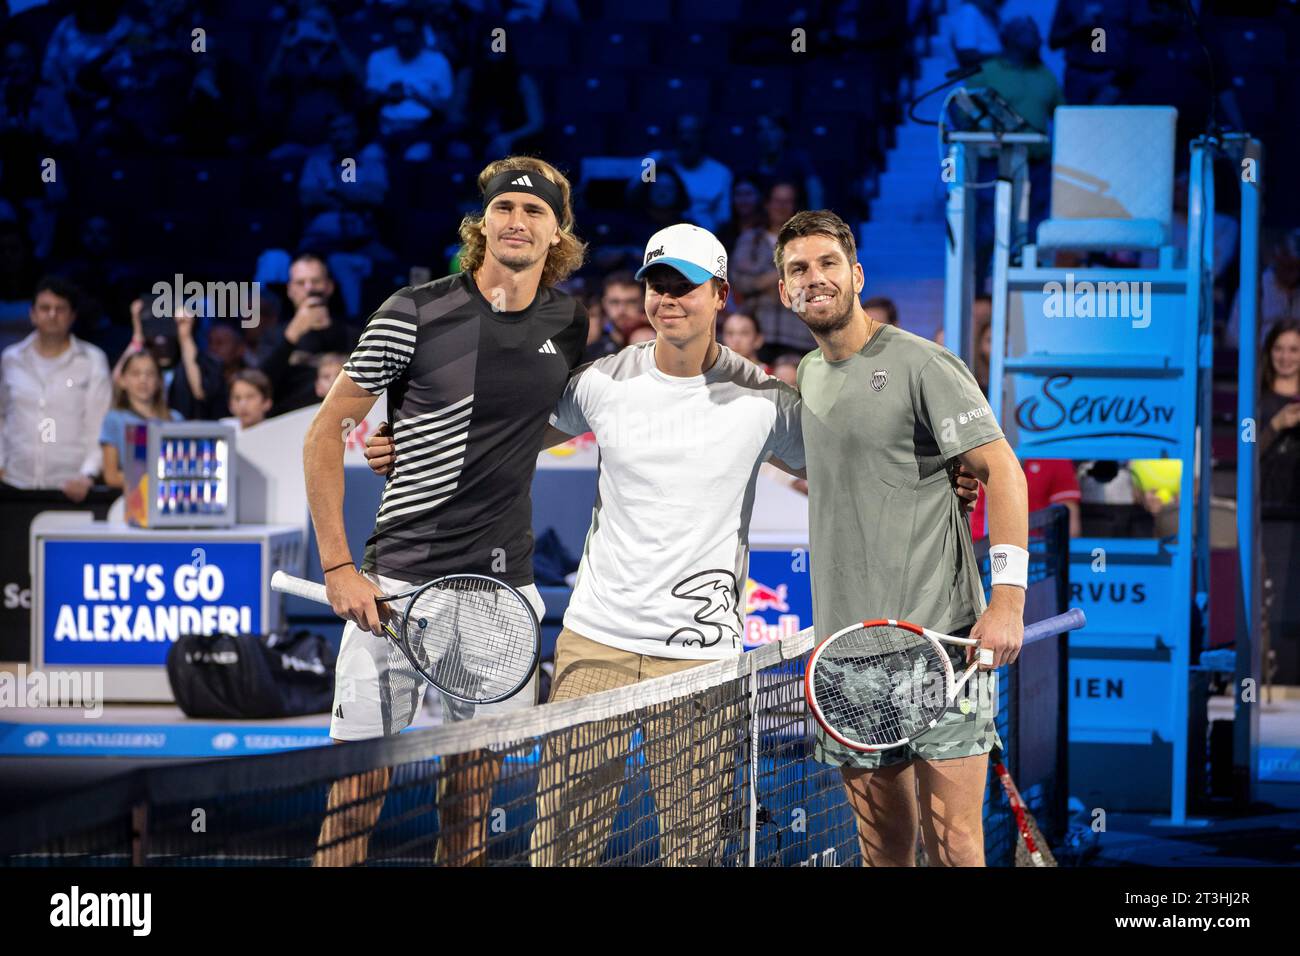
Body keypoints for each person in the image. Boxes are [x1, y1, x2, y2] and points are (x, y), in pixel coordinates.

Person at [364, 225, 979, 865]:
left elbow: (859, 466)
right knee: (558, 852)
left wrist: (946, 475)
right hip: (591, 650)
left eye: (685, 287)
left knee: (693, 854)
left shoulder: (767, 401)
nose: (668, 300)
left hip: (701, 665)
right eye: (657, 286)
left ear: (720, 296)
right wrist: (402, 441)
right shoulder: (600, 382)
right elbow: (500, 440)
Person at [305, 156, 588, 867]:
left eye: (534, 212)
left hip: (502, 593)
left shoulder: (568, 320)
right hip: (394, 585)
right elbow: (322, 436)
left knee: (470, 806)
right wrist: (339, 566)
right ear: (481, 223)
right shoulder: (414, 311)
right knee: (354, 799)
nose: (517, 221)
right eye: (504, 209)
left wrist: (431, 439)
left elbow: (537, 419)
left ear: (558, 233)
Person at [779, 210, 1027, 867]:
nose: (815, 278)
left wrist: (1007, 603)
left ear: (855, 275)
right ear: (783, 291)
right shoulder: (805, 376)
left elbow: (1001, 471)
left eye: (828, 264)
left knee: (955, 843)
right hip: (846, 655)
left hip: (941, 647)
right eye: (799, 269)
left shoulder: (923, 364)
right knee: (883, 850)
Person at [0, 276, 111, 498]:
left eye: (60, 309)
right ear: (32, 314)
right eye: (45, 308)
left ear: (72, 316)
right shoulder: (10, 359)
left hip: (70, 489)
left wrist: (88, 474)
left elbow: (99, 425)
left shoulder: (92, 360)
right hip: (13, 485)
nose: (52, 315)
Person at [262, 254, 354, 417]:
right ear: (290, 290)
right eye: (300, 283)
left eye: (316, 281)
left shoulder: (352, 334)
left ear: (329, 286)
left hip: (343, 421)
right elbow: (260, 384)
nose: (309, 288)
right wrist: (292, 335)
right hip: (287, 424)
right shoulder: (274, 336)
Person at [730, 181, 810, 354]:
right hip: (758, 333)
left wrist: (762, 280)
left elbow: (811, 284)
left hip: (798, 333)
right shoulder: (750, 239)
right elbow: (739, 281)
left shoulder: (808, 242)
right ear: (766, 204)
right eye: (776, 200)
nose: (781, 206)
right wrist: (782, 276)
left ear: (796, 205)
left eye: (787, 201)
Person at [364, 9, 453, 161]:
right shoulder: (378, 58)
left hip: (423, 133)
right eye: (399, 35)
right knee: (369, 156)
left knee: (415, 157)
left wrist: (416, 96)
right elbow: (368, 101)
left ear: (419, 34)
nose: (404, 41)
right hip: (386, 132)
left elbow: (447, 108)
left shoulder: (438, 61)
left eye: (409, 35)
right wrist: (386, 96)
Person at [100, 348, 182, 488]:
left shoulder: (175, 419)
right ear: (122, 380)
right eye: (135, 373)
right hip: (133, 501)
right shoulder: (114, 419)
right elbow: (111, 476)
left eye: (150, 374)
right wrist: (155, 480)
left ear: (159, 381)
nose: (143, 380)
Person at [646, 115, 733, 233]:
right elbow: (637, 196)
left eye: (692, 132)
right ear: (674, 136)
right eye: (681, 132)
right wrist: (659, 165)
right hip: (657, 231)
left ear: (702, 137)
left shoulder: (721, 173)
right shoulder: (653, 160)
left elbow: (724, 218)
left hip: (703, 236)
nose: (686, 138)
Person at [1228, 230, 1300, 350]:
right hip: (1262, 360)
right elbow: (1234, 337)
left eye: (1296, 266)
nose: (1292, 271)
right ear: (1275, 258)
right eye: (1287, 265)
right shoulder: (1253, 289)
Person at [1259, 321, 1300, 508]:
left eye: (1294, 350)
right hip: (1264, 505)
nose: (1285, 357)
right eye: (1278, 349)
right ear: (1269, 351)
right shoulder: (1252, 401)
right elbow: (1246, 448)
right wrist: (1276, 425)